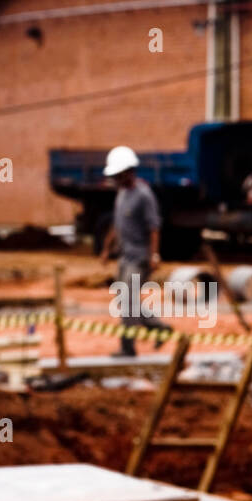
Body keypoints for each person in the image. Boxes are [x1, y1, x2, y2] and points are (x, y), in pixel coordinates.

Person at [98, 145, 170, 357]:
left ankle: (127, 347)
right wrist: (106, 248)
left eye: (118, 175)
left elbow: (154, 228)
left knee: (129, 301)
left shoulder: (144, 195)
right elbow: (116, 223)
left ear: (129, 172)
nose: (115, 180)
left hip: (139, 258)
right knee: (124, 300)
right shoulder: (121, 193)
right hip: (124, 256)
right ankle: (159, 329)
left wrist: (154, 255)